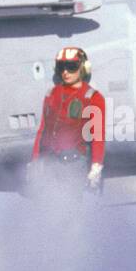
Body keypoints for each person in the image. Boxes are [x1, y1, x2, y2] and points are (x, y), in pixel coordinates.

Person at [29, 46, 106, 193]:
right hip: (50, 164)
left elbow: (98, 136)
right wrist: (35, 161)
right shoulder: (51, 94)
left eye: (71, 67)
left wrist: (96, 166)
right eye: (61, 67)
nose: (65, 72)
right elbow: (43, 130)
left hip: (74, 164)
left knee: (69, 205)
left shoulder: (93, 97)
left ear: (83, 68)